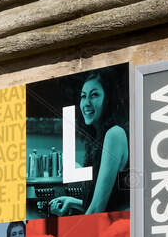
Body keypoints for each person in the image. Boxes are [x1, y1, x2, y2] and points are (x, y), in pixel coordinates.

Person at [48, 70, 129, 216]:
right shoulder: (100, 137)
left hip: (117, 231)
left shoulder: (114, 134)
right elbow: (107, 203)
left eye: (94, 95)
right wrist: (72, 201)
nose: (86, 103)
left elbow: (98, 209)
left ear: (109, 99)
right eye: (83, 96)